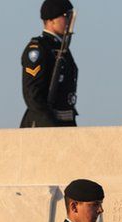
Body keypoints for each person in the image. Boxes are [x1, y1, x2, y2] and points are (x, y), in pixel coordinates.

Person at [21, 0, 79, 128]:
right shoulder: (38, 48)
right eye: (65, 16)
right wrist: (51, 124)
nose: (69, 21)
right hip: (44, 125)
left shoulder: (62, 48)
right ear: (52, 20)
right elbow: (33, 95)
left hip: (65, 123)